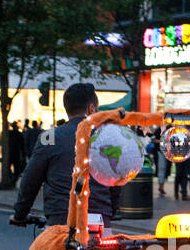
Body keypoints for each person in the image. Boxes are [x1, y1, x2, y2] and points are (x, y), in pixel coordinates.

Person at [11, 83, 113, 227]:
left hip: (61, 219)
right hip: (101, 219)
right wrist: (112, 210)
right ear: (91, 108)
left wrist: (20, 214)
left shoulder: (50, 136)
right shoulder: (108, 138)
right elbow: (117, 179)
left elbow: (31, 179)